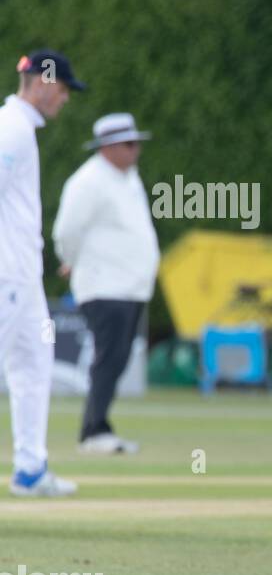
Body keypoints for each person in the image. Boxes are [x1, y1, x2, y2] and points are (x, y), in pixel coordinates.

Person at [0, 50, 83, 498]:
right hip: (6, 274)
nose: (65, 98)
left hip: (23, 276)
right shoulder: (11, 130)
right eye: (64, 88)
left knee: (34, 364)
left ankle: (30, 470)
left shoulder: (19, 130)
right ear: (43, 83)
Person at [53, 112, 159, 454]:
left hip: (130, 285)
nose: (135, 151)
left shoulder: (129, 178)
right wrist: (70, 259)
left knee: (118, 359)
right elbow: (67, 231)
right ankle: (94, 432)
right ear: (108, 147)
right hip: (104, 285)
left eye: (136, 144)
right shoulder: (88, 182)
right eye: (129, 145)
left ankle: (98, 428)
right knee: (109, 358)